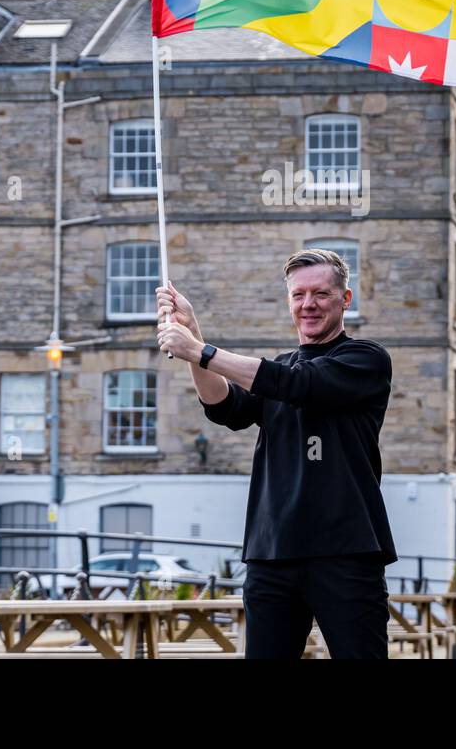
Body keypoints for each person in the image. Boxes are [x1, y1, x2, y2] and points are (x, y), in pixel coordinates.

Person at [155, 248, 397, 659]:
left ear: (346, 299)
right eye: (299, 295)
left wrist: (202, 350)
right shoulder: (277, 370)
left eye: (321, 294)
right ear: (289, 301)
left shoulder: (365, 359)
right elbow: (223, 407)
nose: (308, 304)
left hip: (346, 551)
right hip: (272, 553)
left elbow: (297, 384)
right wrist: (192, 334)